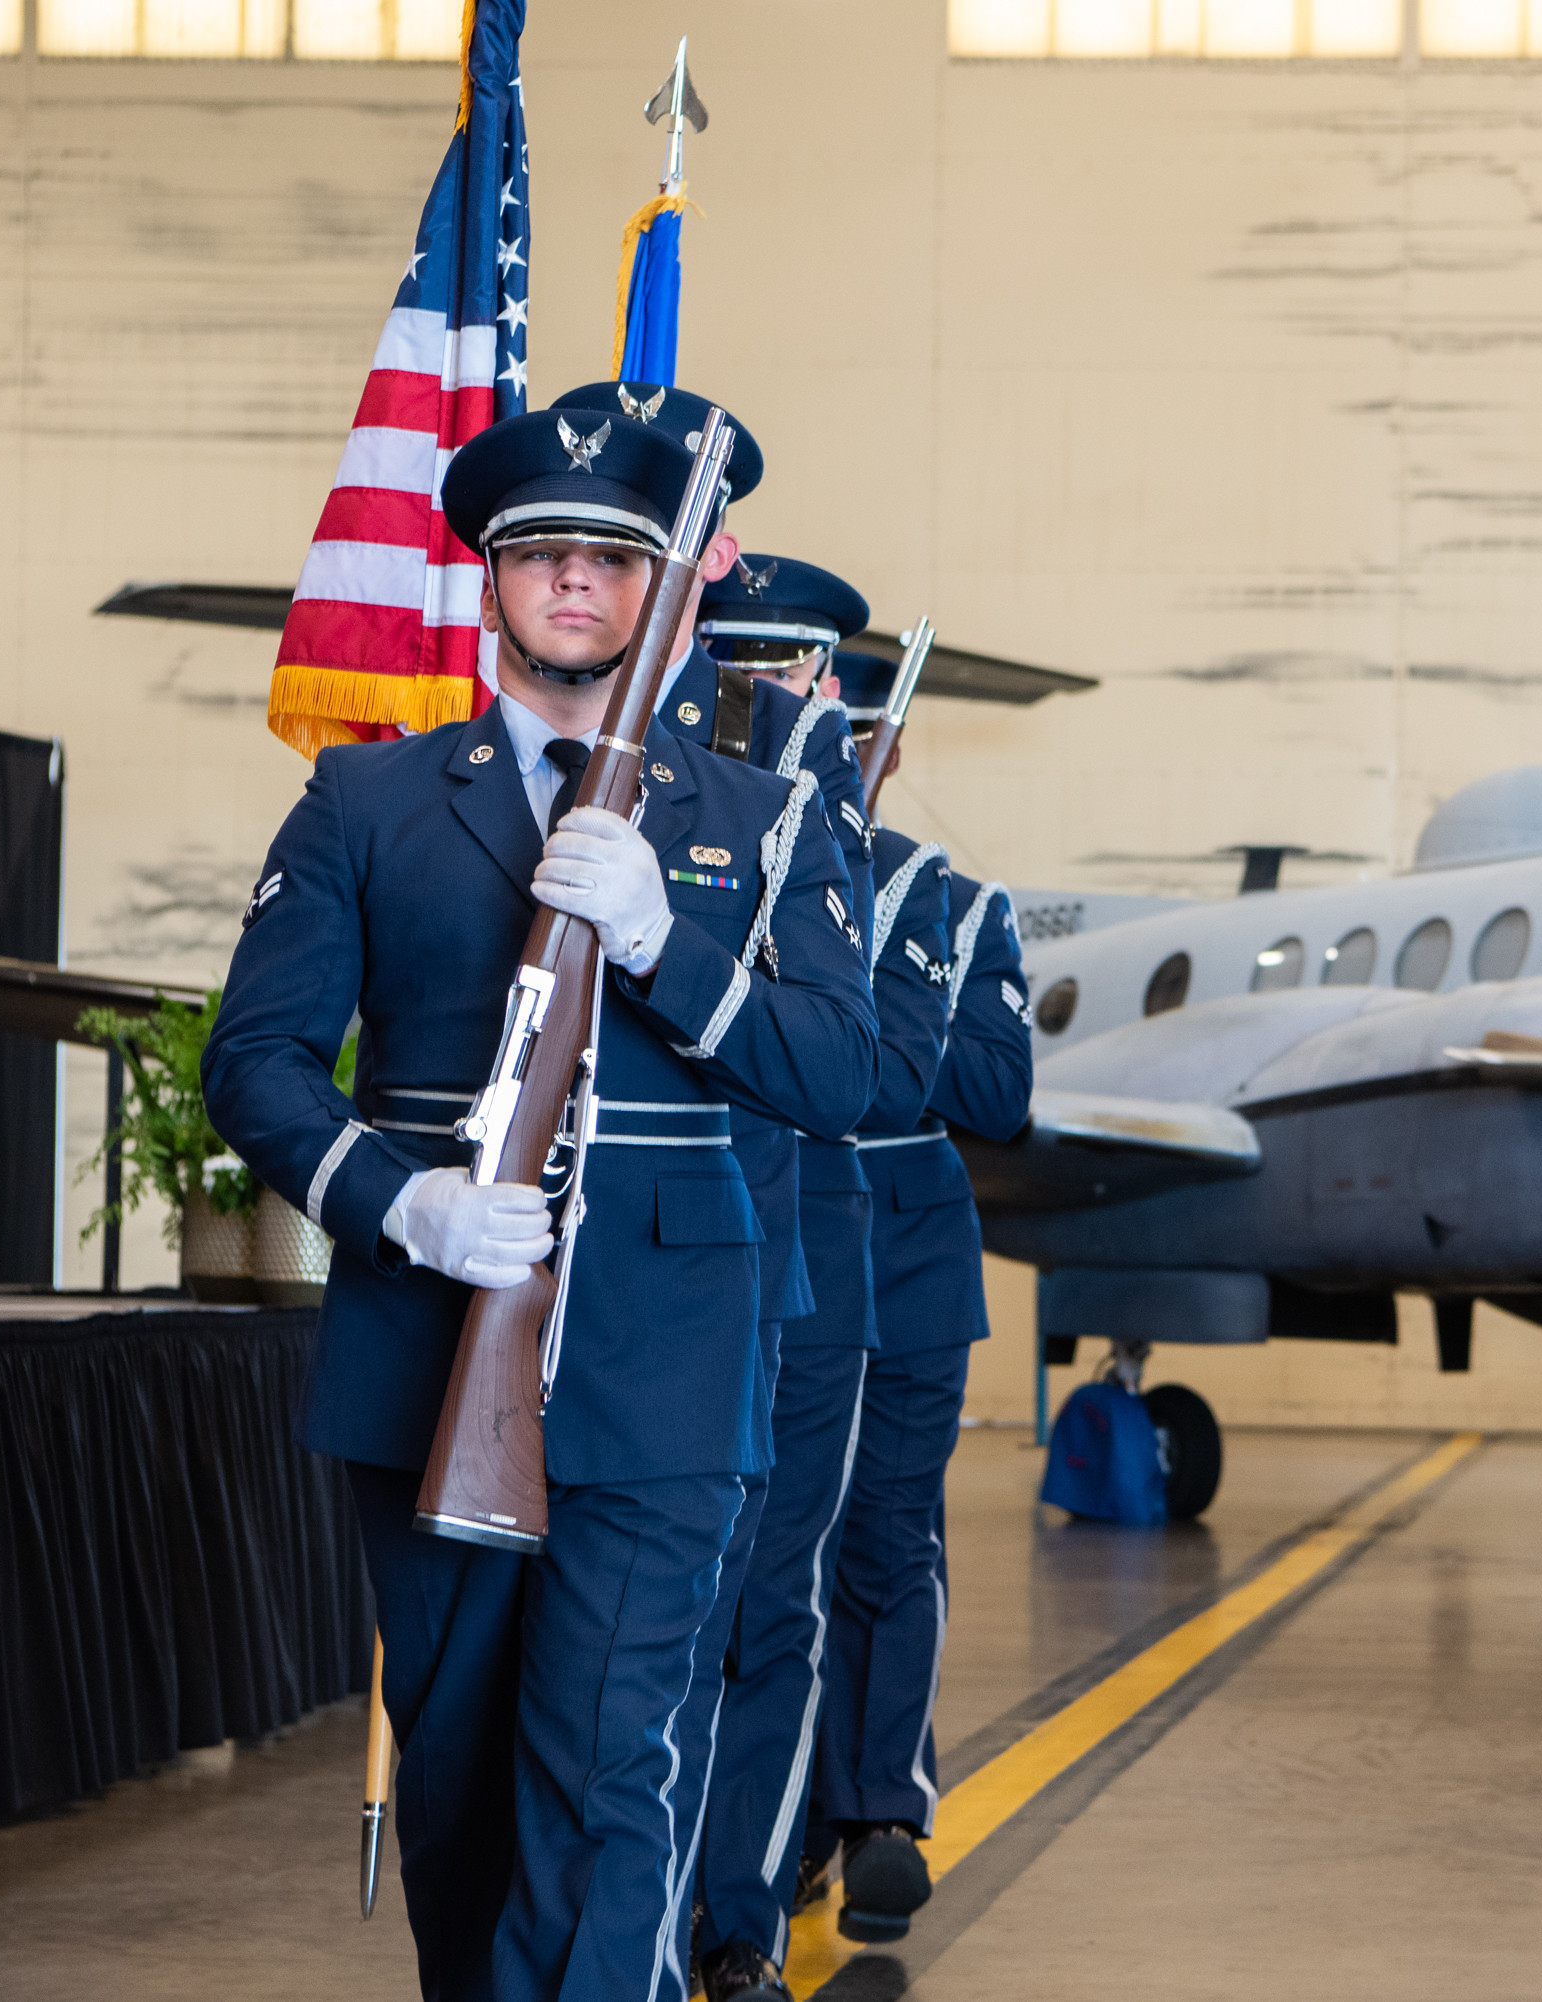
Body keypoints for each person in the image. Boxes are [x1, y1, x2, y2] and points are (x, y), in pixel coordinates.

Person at [202, 408, 877, 2002]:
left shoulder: (762, 819)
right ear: (488, 579)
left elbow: (846, 1073)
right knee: (456, 1786)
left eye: (614, 557)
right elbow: (258, 1061)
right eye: (541, 554)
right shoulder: (364, 803)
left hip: (667, 1367)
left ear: (663, 590)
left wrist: (662, 944)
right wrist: (402, 1201)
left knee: (612, 1766)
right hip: (431, 1346)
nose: (576, 579)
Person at [687, 559, 953, 2002]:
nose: (793, 702)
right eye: (759, 674)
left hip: (806, 1268)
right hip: (644, 1275)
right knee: (652, 1618)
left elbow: (873, 1075)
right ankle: (637, 1917)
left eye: (807, 678)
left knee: (775, 1609)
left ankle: (741, 1923)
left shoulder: (865, 865)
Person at [812, 783, 1034, 1945]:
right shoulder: (753, 870)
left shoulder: (951, 902)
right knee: (774, 1538)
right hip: (786, 1225)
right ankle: (793, 1808)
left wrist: (893, 1013)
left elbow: (1001, 1094)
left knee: (891, 1533)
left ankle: (881, 1816)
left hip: (907, 1245)